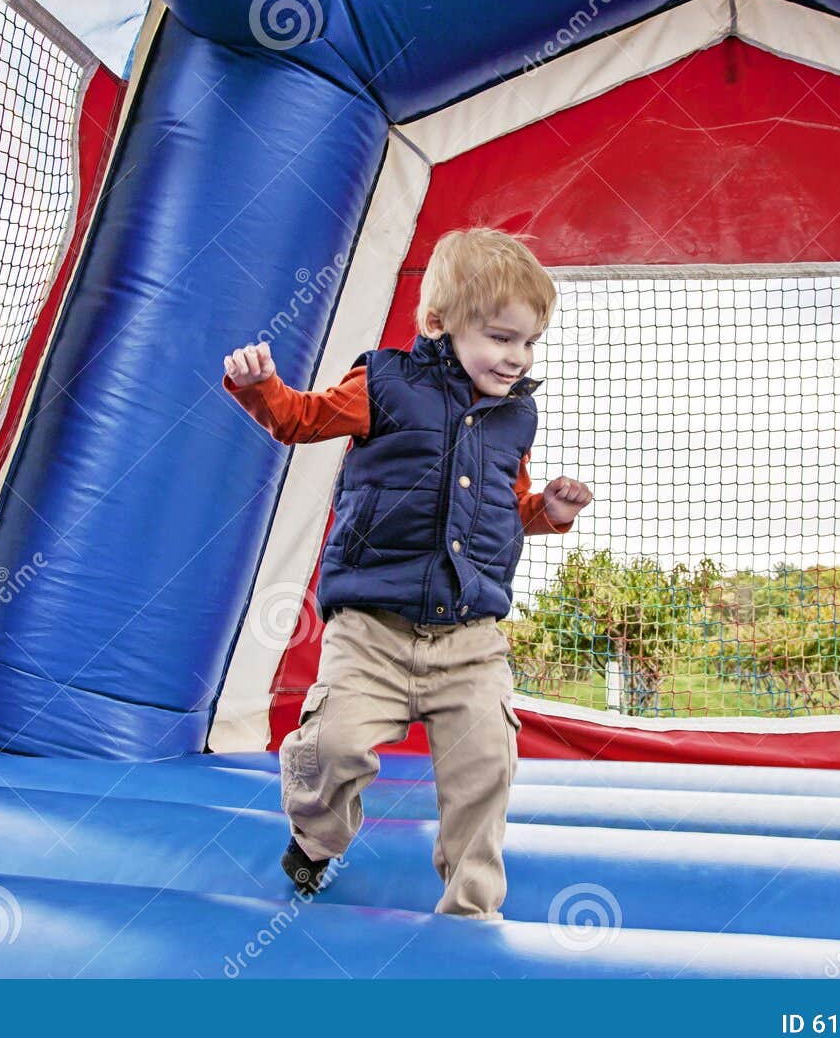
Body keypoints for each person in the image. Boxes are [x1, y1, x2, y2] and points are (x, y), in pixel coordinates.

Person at [221, 227, 592, 920]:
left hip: (470, 639)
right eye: (500, 337)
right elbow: (301, 419)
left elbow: (507, 509)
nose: (517, 357)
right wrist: (259, 386)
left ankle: (471, 912)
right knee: (330, 749)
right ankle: (316, 833)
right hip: (372, 632)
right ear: (439, 323)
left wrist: (550, 510)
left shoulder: (516, 418)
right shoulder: (385, 384)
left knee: (488, 762)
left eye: (529, 342)